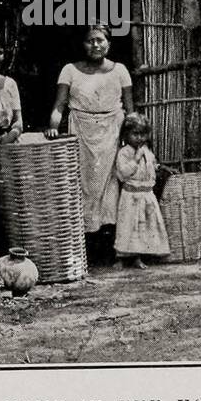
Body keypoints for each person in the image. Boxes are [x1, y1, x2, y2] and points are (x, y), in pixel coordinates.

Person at [45, 25, 135, 247]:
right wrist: (53, 126)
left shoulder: (120, 70)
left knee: (111, 183)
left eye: (100, 40)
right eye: (90, 41)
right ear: (82, 45)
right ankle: (83, 243)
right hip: (81, 132)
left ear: (108, 43)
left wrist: (132, 138)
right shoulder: (70, 70)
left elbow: (130, 109)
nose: (95, 45)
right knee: (81, 183)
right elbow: (60, 105)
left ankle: (111, 243)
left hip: (112, 132)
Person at [113, 113, 171, 268]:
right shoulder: (124, 153)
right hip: (131, 195)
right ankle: (121, 257)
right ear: (127, 134)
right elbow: (122, 174)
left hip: (146, 194)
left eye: (142, 134)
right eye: (135, 134)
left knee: (143, 226)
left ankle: (138, 257)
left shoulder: (147, 151)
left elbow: (151, 166)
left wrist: (159, 168)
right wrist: (136, 160)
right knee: (127, 226)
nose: (139, 138)